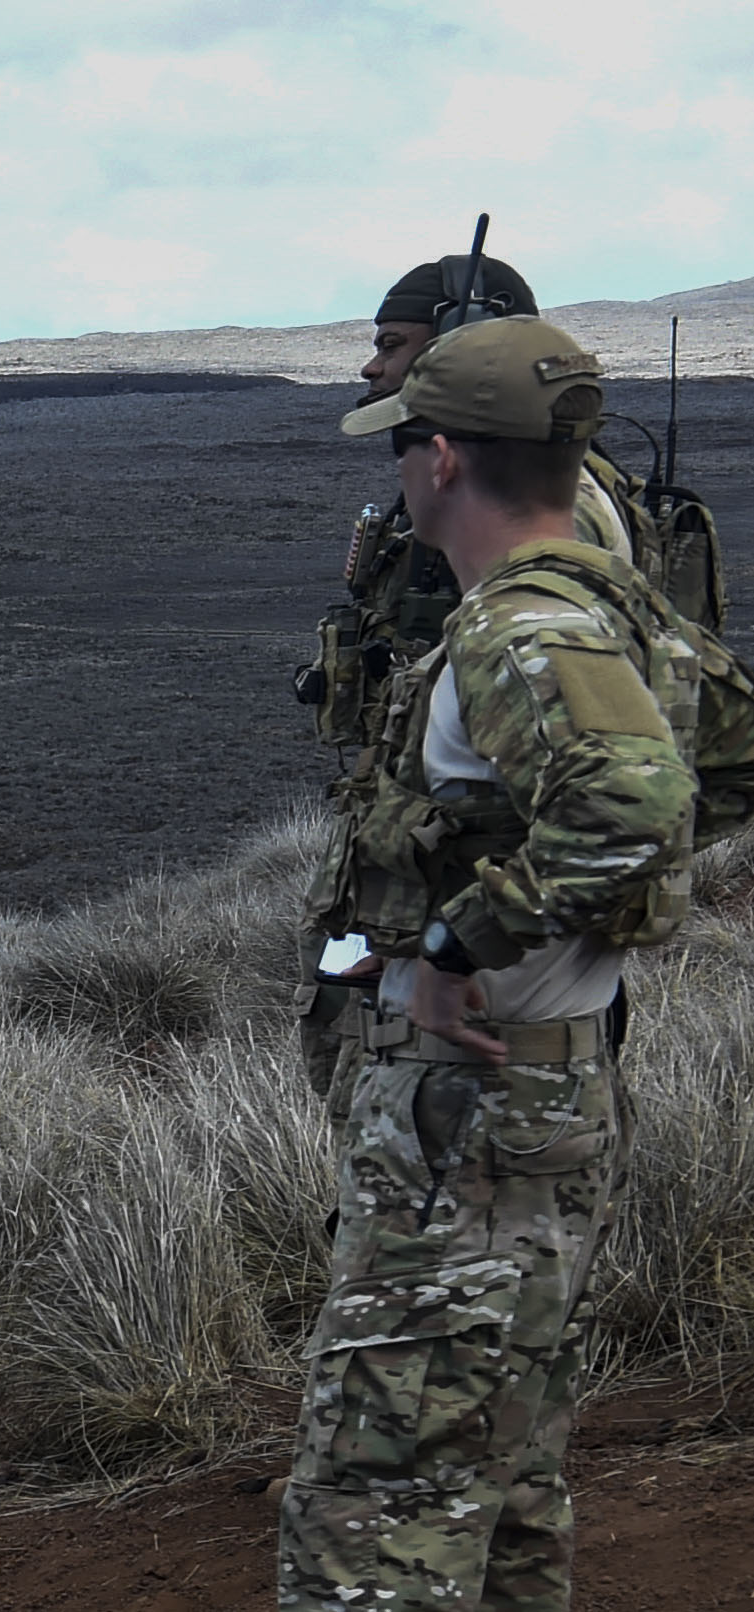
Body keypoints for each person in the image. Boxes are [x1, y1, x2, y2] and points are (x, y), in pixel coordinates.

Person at [286, 315, 704, 1609]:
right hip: (552, 1083)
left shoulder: (517, 631)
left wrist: (464, 947)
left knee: (381, 1503)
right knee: (509, 1481)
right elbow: (717, 769)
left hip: (467, 1112)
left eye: (408, 439)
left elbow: (635, 809)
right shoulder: (615, 605)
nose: (400, 467)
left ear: (447, 459)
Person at [296, 254, 639, 1095]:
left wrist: (463, 935)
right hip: (433, 917)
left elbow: (616, 793)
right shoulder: (507, 516)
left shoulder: (542, 529)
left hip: (488, 981)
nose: (371, 367)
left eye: (391, 343)